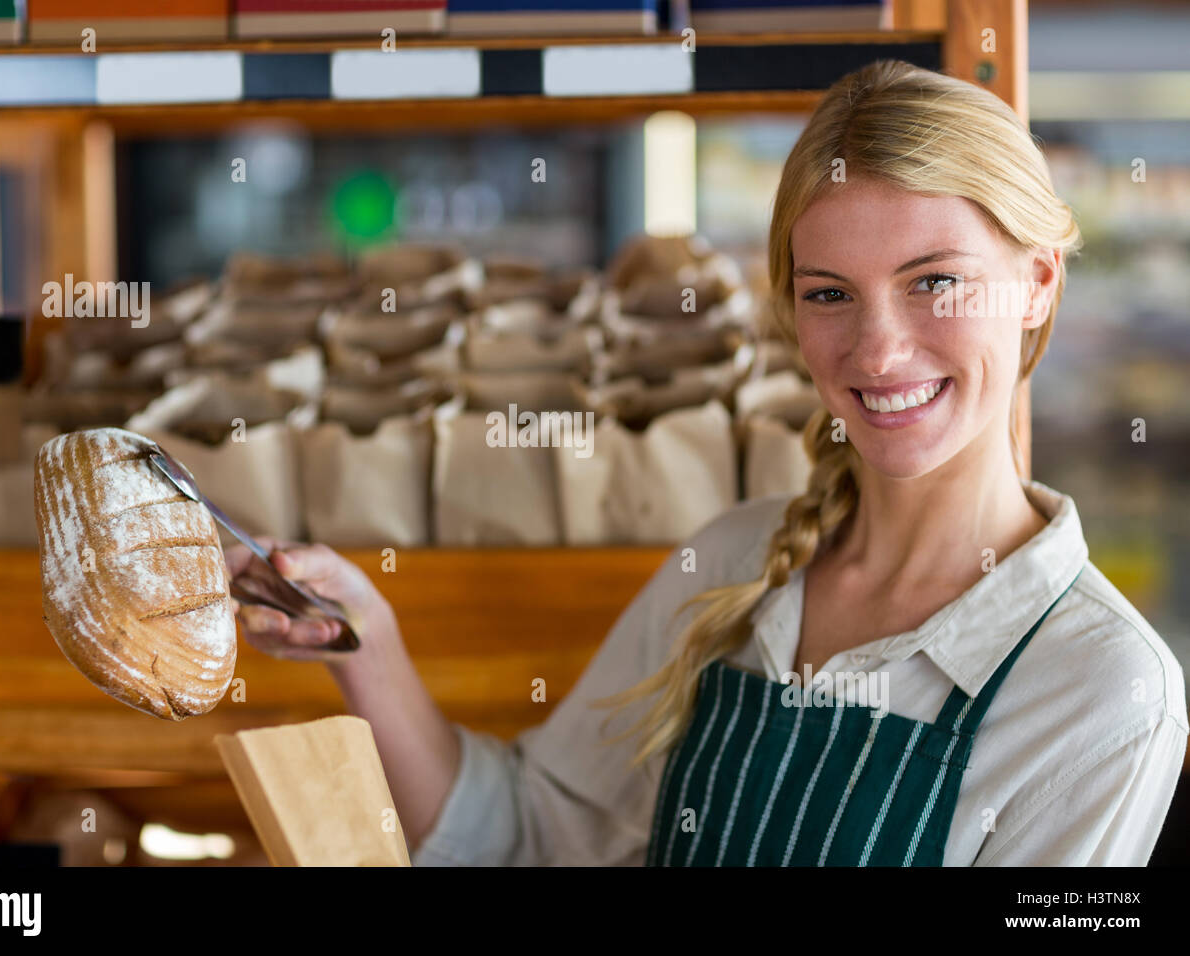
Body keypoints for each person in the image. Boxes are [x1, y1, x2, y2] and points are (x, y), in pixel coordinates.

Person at [227, 60, 1188, 866]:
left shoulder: (1103, 692)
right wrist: (370, 642)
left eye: (934, 280)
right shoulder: (734, 562)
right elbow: (523, 836)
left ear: (1037, 283)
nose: (879, 351)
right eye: (829, 295)